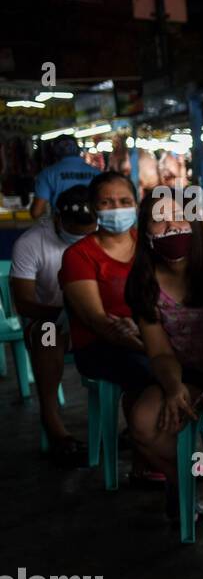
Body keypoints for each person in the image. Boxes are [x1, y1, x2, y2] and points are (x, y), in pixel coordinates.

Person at [124, 187, 203, 522]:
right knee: (143, 423)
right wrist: (173, 386)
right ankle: (181, 483)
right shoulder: (143, 282)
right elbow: (160, 352)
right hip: (190, 371)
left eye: (180, 216)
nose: (171, 227)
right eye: (159, 221)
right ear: (145, 230)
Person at [62, 171, 161, 486]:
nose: (116, 208)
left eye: (124, 201)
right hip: (99, 345)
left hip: (148, 335)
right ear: (93, 208)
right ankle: (145, 463)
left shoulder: (148, 245)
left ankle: (168, 450)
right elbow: (96, 320)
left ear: (136, 204)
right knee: (147, 372)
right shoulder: (79, 256)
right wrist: (151, 348)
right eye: (107, 202)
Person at [9, 186, 99, 464]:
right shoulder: (31, 242)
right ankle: (52, 422)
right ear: (58, 219)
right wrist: (66, 312)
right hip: (51, 321)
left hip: (96, 321)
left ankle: (136, 426)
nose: (82, 239)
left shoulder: (106, 238)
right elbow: (23, 303)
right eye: (76, 232)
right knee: (48, 335)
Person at [30, 136, 98, 221]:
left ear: (54, 152)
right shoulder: (97, 173)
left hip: (64, 226)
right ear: (77, 149)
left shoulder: (47, 174)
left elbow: (36, 212)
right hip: (92, 224)